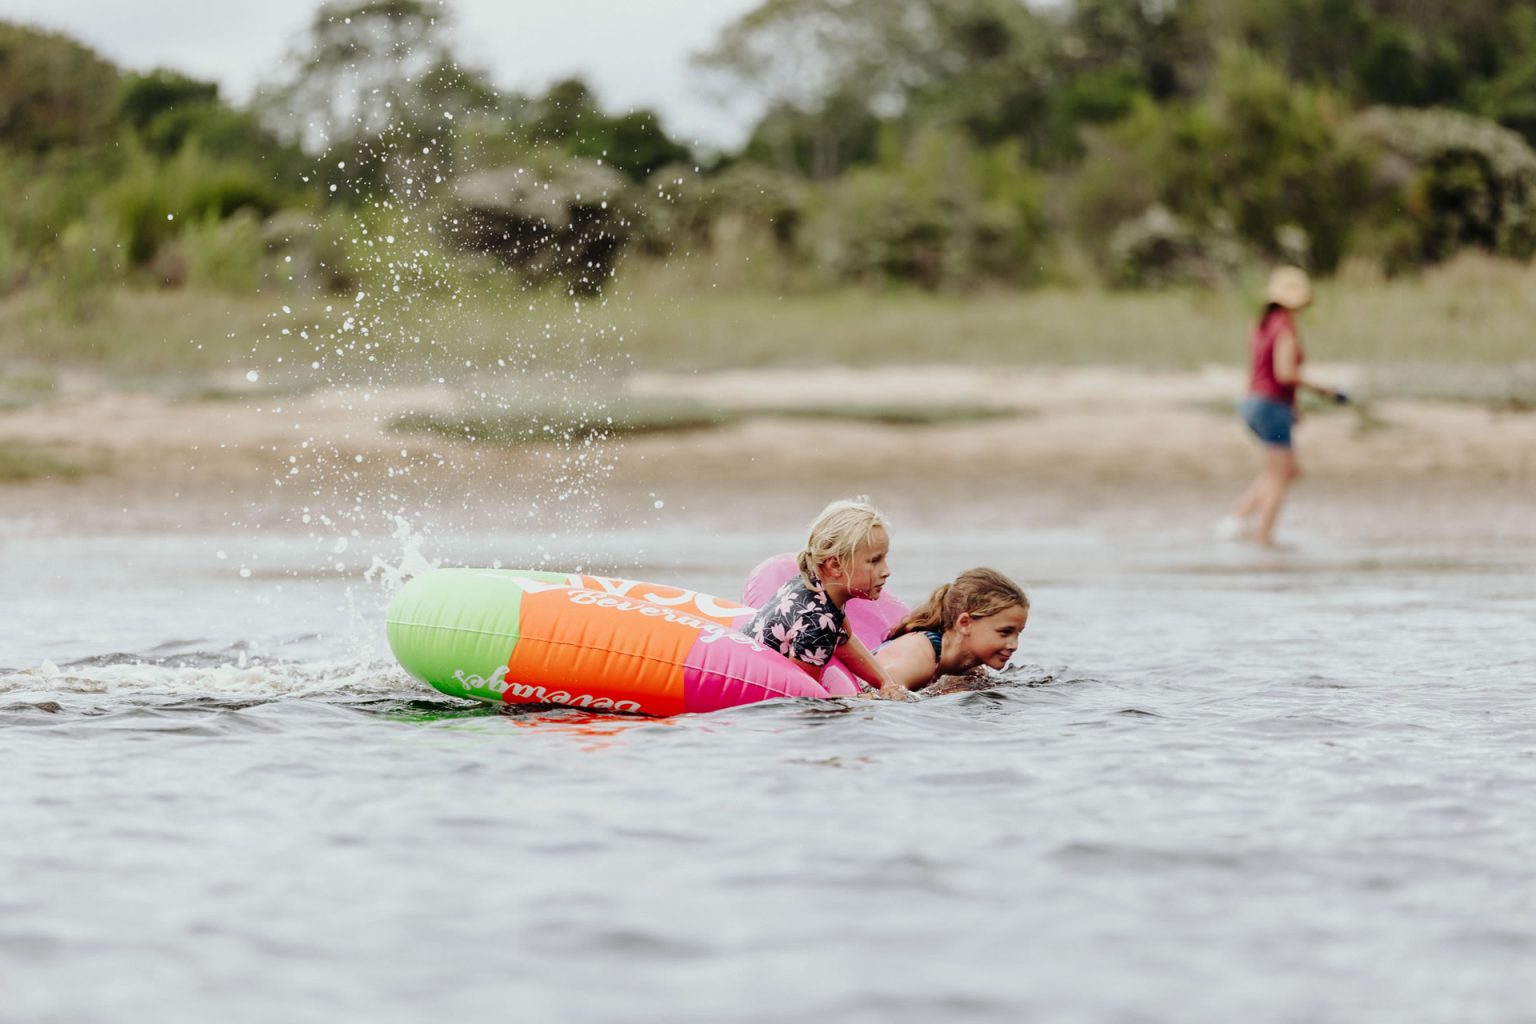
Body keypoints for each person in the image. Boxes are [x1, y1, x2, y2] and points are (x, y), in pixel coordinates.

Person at [1225, 266, 1347, 547]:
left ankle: (1238, 518)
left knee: (1287, 471)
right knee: (1281, 475)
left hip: (1255, 403)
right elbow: (1285, 373)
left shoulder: (1261, 324)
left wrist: (1290, 405)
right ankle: (1264, 538)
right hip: (1270, 408)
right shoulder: (1285, 328)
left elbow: (1262, 371)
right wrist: (1325, 390)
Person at [745, 496, 908, 700]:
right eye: (874, 561)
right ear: (835, 565)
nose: (886, 571)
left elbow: (844, 639)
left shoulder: (812, 586)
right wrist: (861, 701)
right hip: (753, 690)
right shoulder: (818, 623)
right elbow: (802, 698)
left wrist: (885, 682)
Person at [875, 568, 1030, 693]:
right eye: (1004, 632)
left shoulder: (972, 669)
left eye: (1018, 633)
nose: (1013, 645)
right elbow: (876, 698)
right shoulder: (918, 656)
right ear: (964, 623)